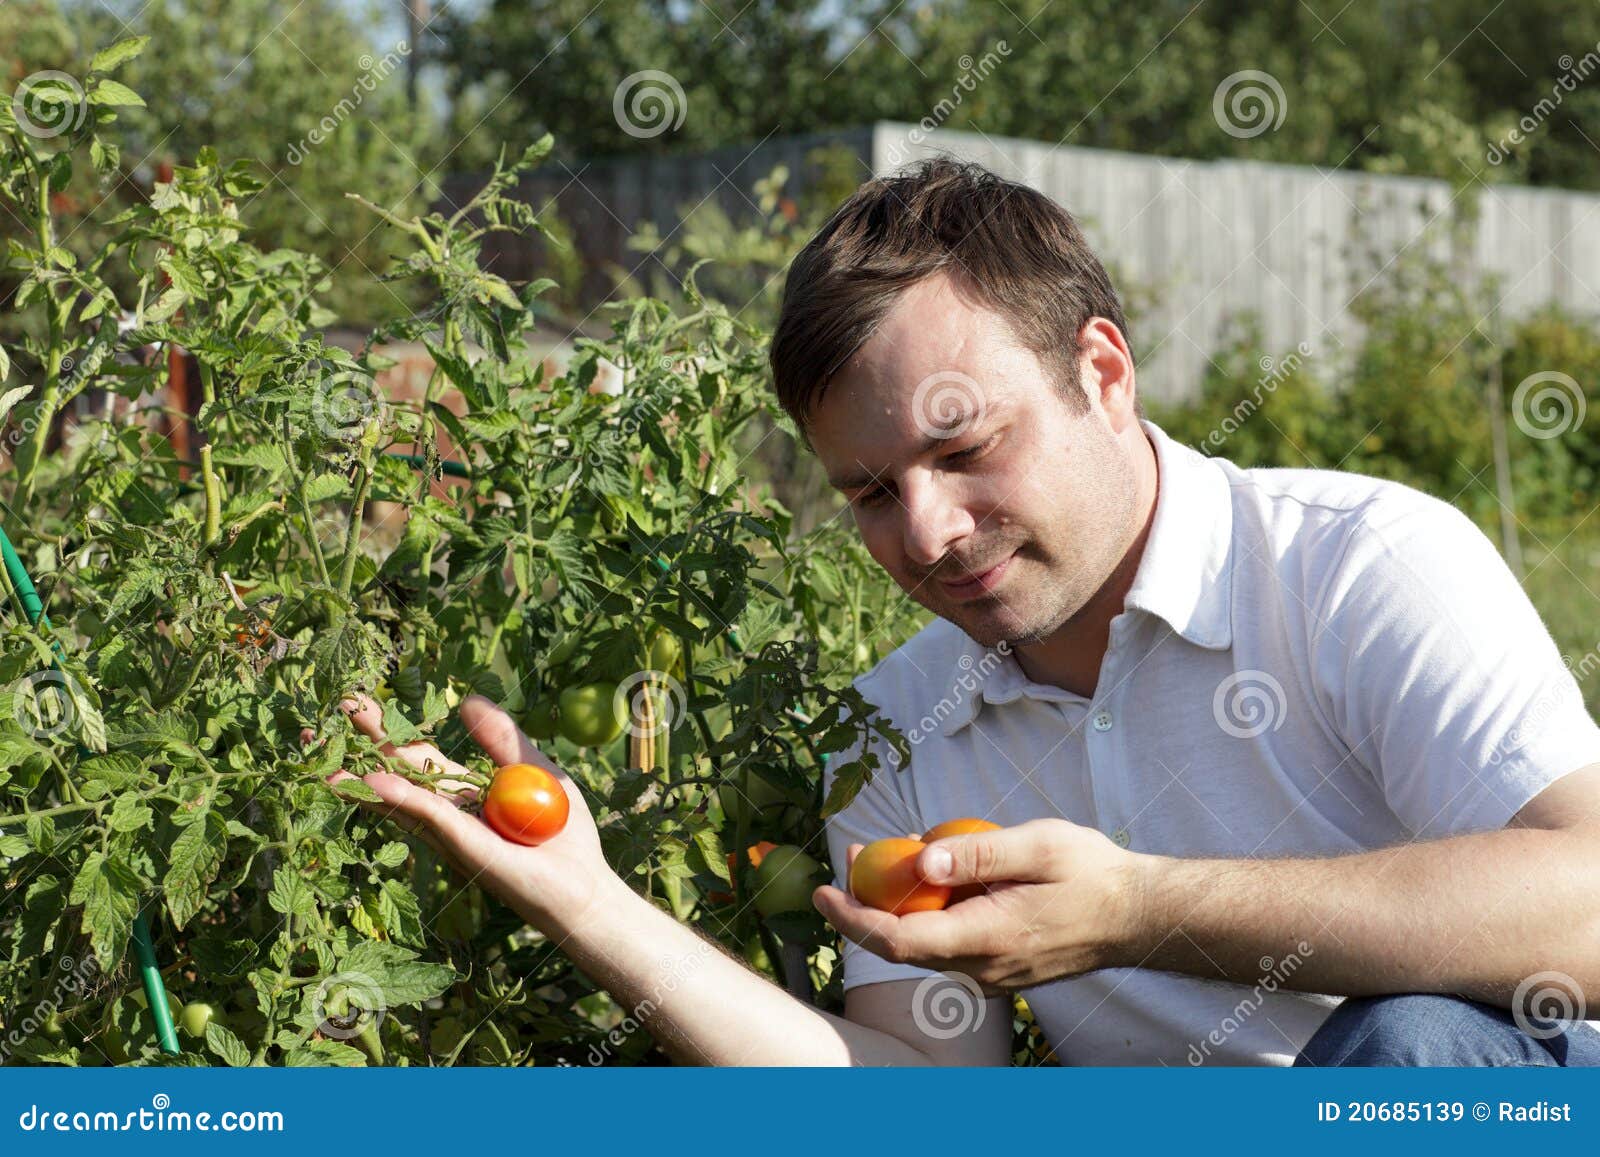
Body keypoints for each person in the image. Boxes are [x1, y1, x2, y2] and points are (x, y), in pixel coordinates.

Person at [325, 157, 1600, 1066]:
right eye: (871, 491)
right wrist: (586, 901)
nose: (926, 533)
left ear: (1101, 372)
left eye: (964, 448)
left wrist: (1141, 906)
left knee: (1414, 1045)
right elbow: (918, 1095)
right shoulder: (895, 731)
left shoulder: (1355, 565)